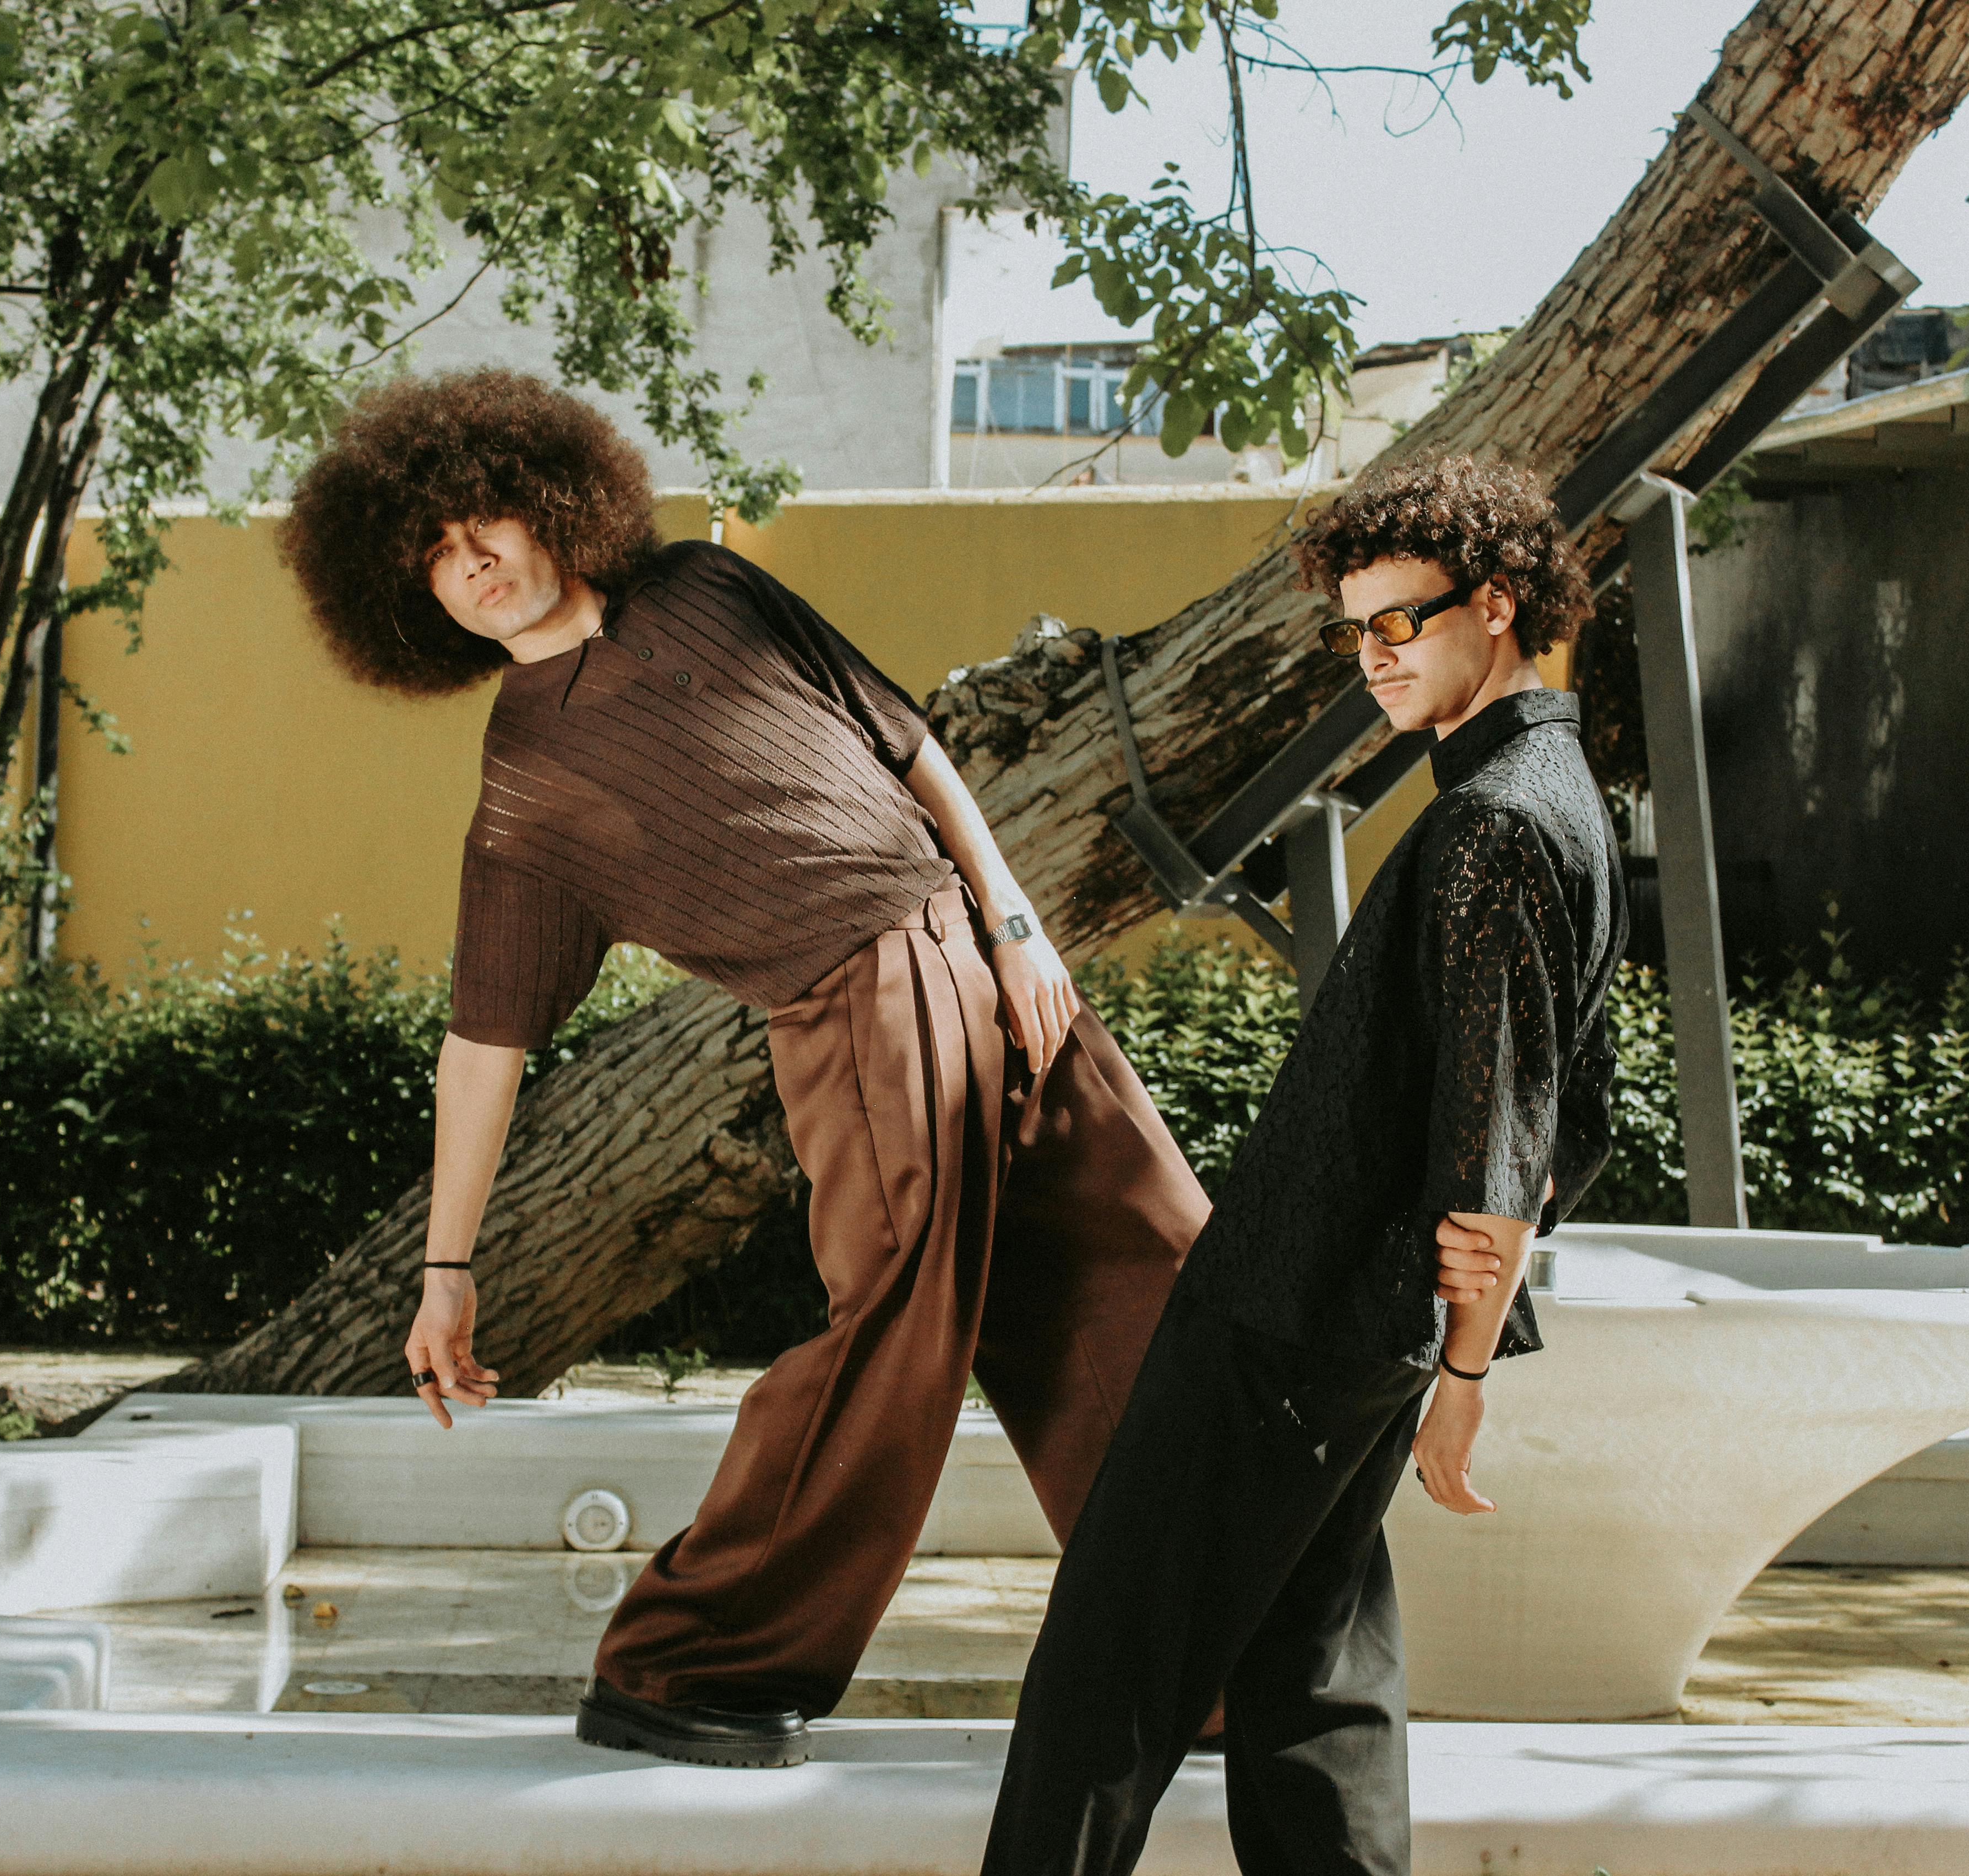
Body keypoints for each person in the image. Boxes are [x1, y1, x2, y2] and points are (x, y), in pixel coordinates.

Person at [278, 368, 1211, 1770]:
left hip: (983, 957)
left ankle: (1213, 1652)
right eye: (431, 562)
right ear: (412, 608)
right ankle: (690, 1662)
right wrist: (445, 1270)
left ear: (544, 503)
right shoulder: (529, 786)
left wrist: (1017, 924)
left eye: (478, 525)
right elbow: (484, 1043)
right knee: (899, 1326)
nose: (466, 566)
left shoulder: (712, 587)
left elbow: (912, 748)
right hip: (851, 1018)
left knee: (1148, 1269)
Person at [979, 451, 1627, 1876]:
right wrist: (1425, 1345)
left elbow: (1502, 1133)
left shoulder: (1502, 825)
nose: (1374, 658)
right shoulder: (1556, 798)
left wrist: (1460, 1380)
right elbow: (1583, 1109)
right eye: (1358, 631)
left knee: (1108, 1676)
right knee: (1310, 1688)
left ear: (1498, 606)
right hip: (1346, 1326)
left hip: (1290, 1320)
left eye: (1401, 623)